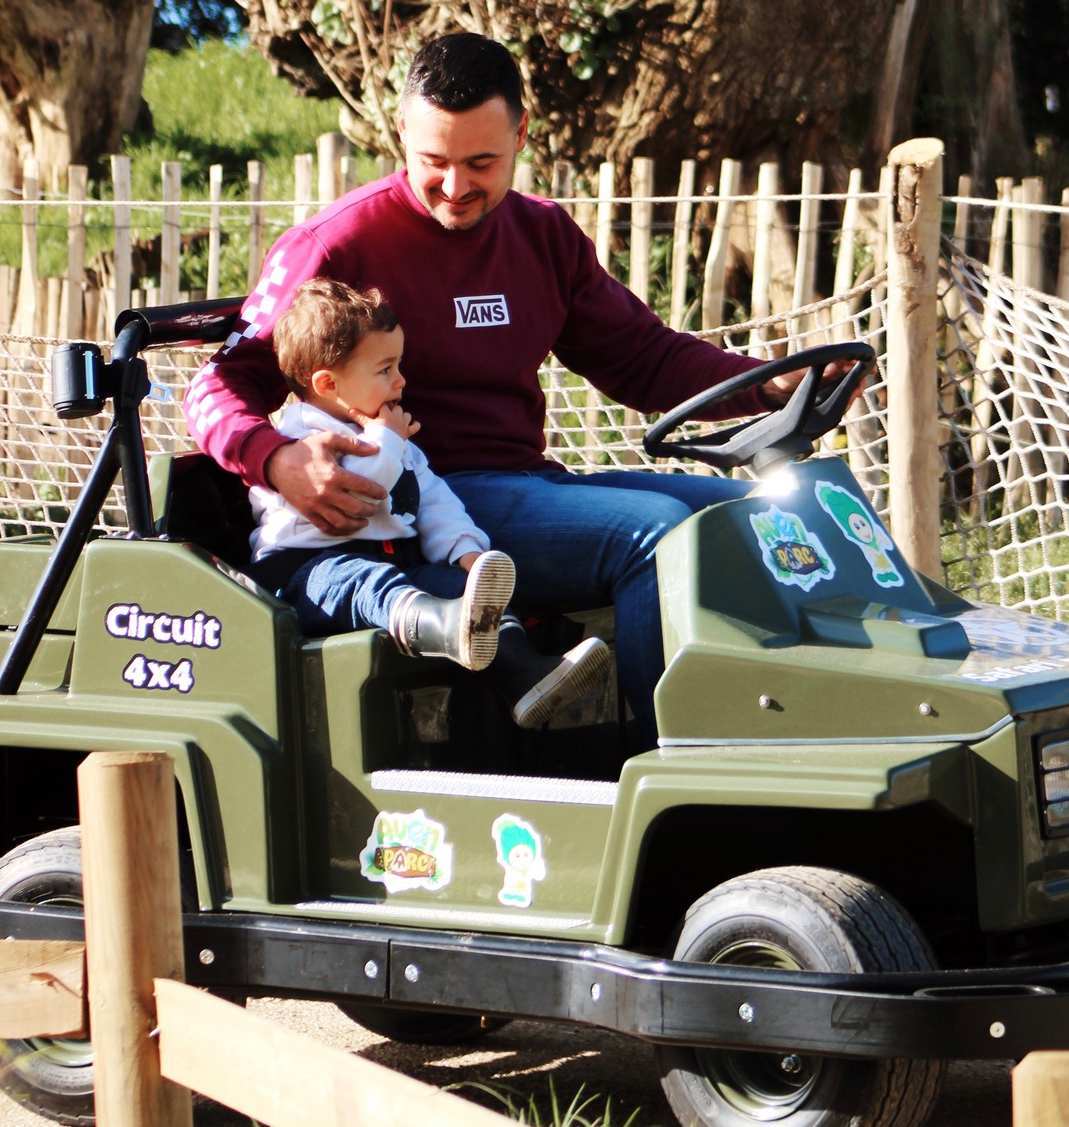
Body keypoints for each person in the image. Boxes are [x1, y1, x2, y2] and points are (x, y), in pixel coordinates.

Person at [186, 32, 843, 748]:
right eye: (434, 162)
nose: (456, 187)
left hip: (529, 484)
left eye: (481, 163)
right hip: (433, 503)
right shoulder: (336, 245)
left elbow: (644, 358)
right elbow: (216, 388)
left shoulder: (545, 237)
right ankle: (679, 769)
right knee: (655, 534)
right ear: (401, 130)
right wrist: (277, 460)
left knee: (756, 513)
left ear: (522, 135)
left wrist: (768, 383)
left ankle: (804, 734)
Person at [248, 277, 612, 729]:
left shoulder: (393, 436)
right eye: (385, 370)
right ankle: (441, 624)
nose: (401, 380)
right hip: (307, 573)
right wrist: (386, 439)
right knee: (363, 581)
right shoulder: (300, 442)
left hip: (397, 562)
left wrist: (464, 549)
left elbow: (432, 498)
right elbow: (361, 489)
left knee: (463, 589)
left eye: (398, 365)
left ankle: (527, 676)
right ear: (327, 383)